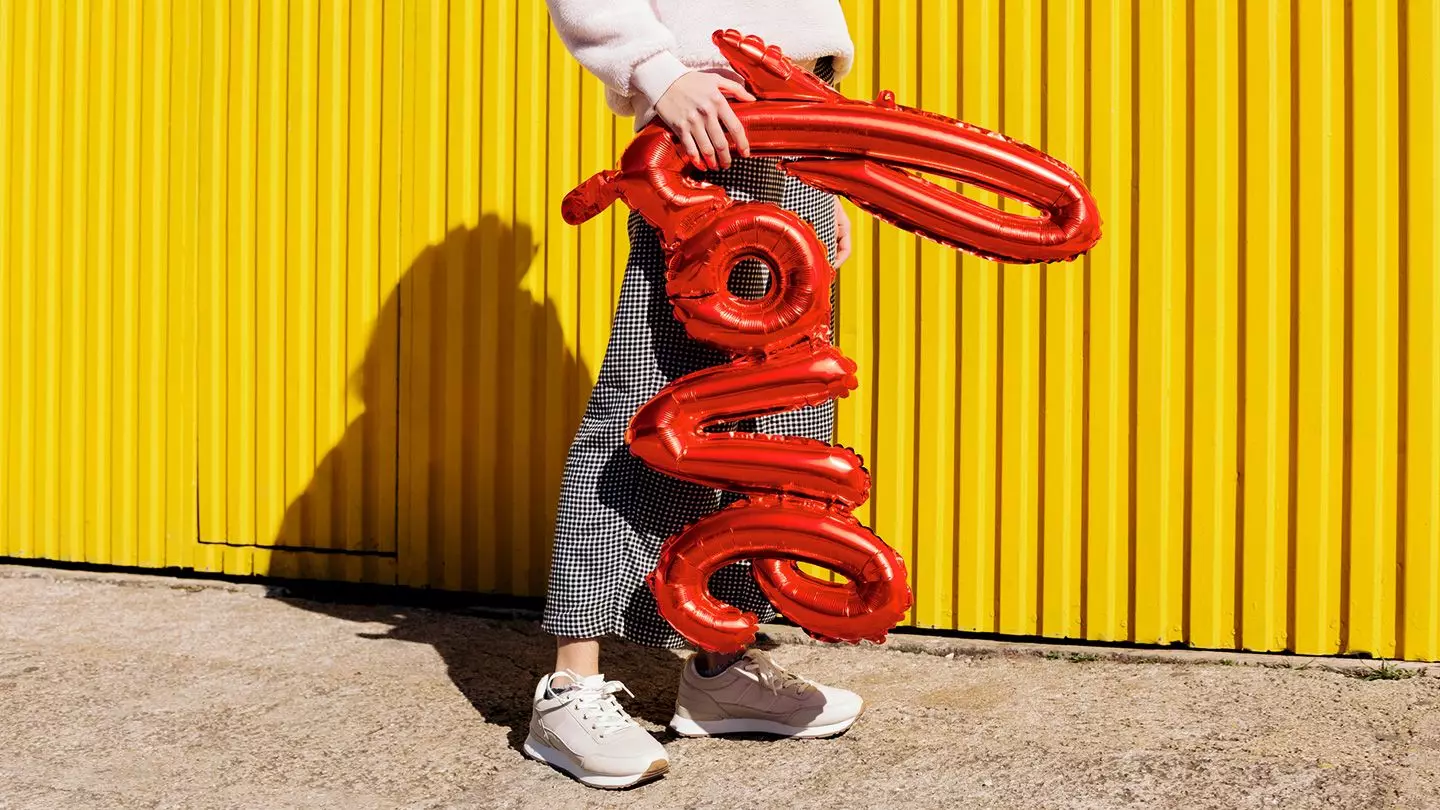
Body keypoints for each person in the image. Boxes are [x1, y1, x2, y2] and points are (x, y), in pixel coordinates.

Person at [530, 1, 861, 789]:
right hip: (708, 135)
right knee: (652, 413)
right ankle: (569, 688)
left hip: (792, 129)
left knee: (771, 426)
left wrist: (822, 169)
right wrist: (659, 73)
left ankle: (721, 665)